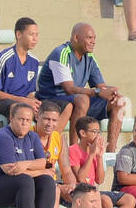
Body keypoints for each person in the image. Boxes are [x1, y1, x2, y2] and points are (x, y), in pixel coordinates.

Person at [36, 23, 127, 152]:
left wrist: (113, 92)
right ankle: (74, 150)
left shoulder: (89, 57)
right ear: (76, 38)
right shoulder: (61, 53)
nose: (93, 42)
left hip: (77, 101)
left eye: (94, 38)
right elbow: (69, 89)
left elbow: (101, 86)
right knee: (82, 99)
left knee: (119, 101)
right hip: (53, 100)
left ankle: (111, 151)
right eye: (89, 38)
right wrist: (97, 92)